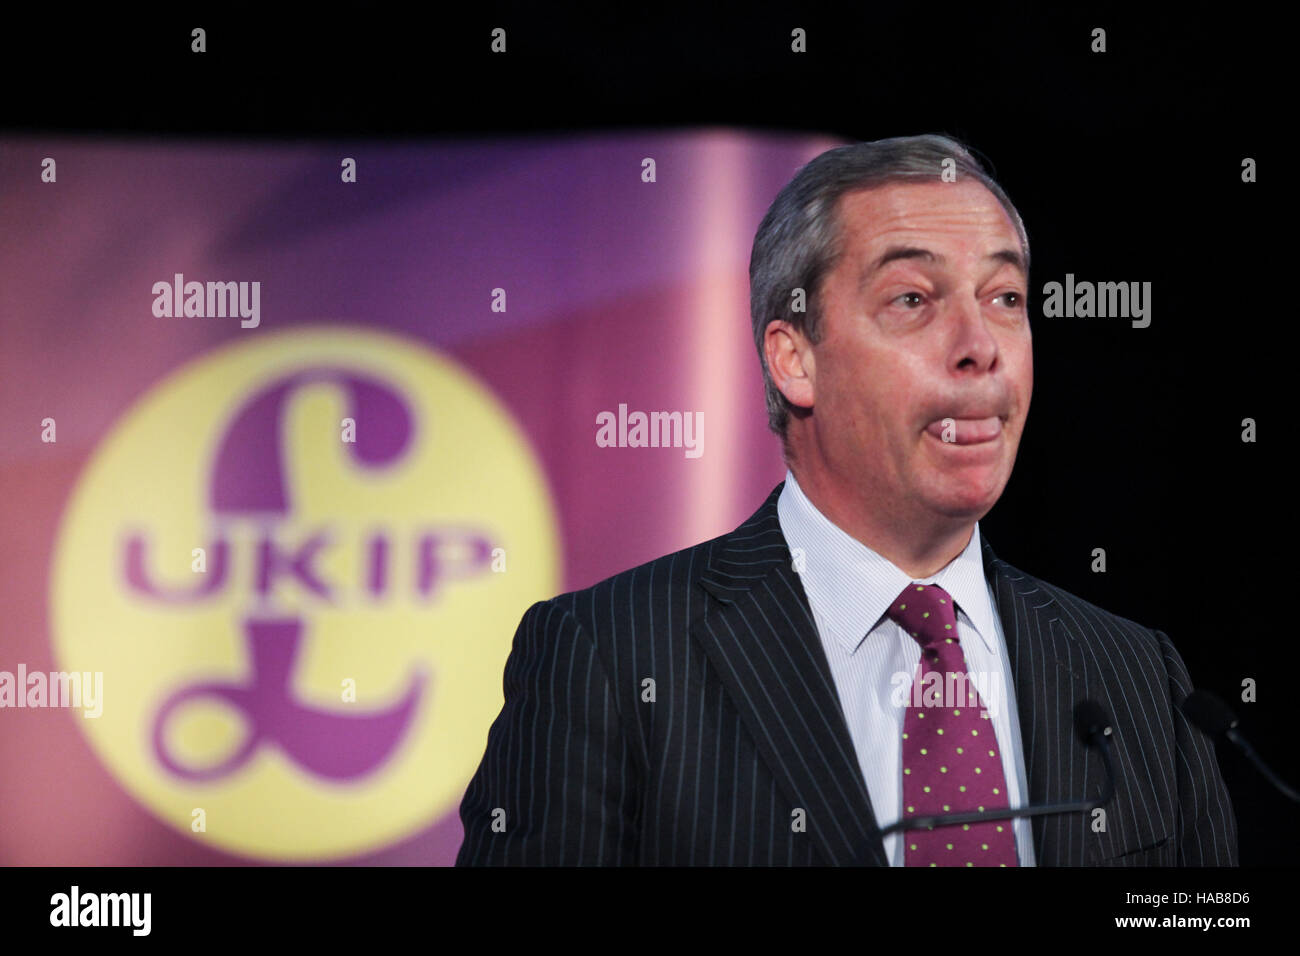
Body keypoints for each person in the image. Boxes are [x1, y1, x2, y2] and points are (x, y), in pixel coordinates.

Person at [454, 133, 1238, 866]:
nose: (981, 346)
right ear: (796, 360)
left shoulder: (1142, 679)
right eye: (913, 300)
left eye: (1004, 298)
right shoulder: (609, 661)